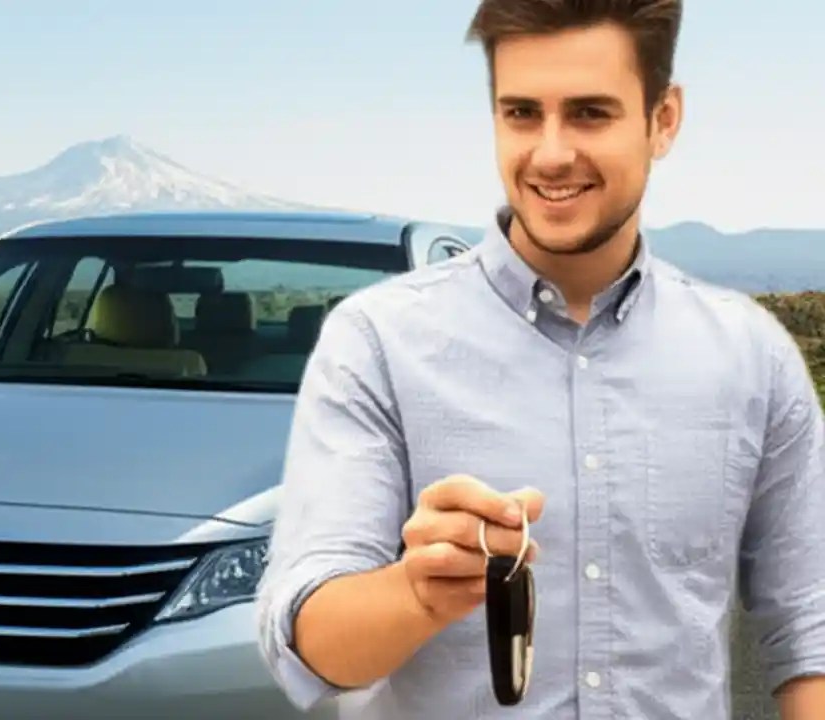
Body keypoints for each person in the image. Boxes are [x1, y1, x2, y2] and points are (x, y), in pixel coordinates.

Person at [254, 0, 825, 717]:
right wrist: (414, 592)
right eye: (522, 113)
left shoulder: (754, 359)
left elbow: (811, 630)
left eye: (590, 113)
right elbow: (306, 647)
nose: (551, 153)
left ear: (663, 120)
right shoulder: (375, 342)